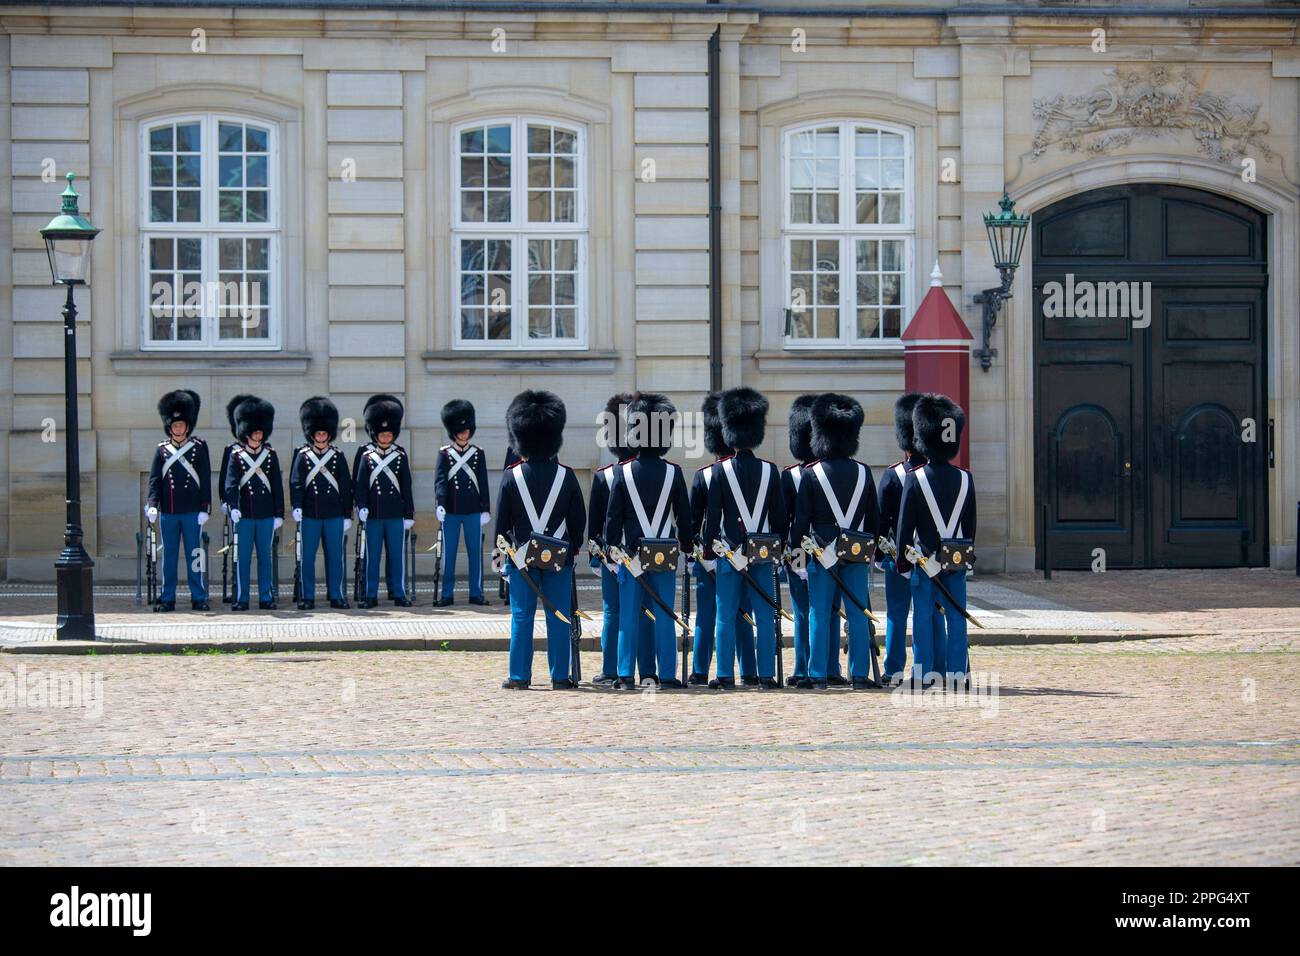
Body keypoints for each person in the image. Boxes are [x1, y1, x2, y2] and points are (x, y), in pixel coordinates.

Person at [496, 390, 586, 689]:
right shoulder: (567, 476)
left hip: (521, 558)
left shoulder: (511, 477)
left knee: (522, 618)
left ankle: (519, 676)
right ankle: (560, 676)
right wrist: (572, 550)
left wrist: (506, 557)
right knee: (558, 616)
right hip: (558, 557)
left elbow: (501, 527)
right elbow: (577, 522)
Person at [792, 393, 880, 690]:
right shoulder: (864, 472)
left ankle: (817, 674)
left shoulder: (811, 473)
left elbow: (801, 522)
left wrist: (796, 557)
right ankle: (859, 674)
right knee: (856, 613)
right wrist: (870, 550)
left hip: (821, 554)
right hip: (856, 553)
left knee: (819, 612)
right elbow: (875, 519)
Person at [605, 392, 692, 690]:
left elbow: (613, 519)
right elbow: (684, 517)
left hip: (631, 554)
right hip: (664, 553)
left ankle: (626, 674)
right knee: (665, 614)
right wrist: (689, 546)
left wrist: (610, 551)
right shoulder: (674, 472)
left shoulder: (622, 472)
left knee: (628, 617)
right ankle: (667, 674)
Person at [704, 387, 787, 690]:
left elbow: (713, 516)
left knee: (725, 615)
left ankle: (725, 674)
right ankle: (766, 675)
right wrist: (780, 546)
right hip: (763, 552)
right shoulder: (770, 470)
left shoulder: (720, 471)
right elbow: (779, 517)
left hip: (729, 552)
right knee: (765, 615)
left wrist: (709, 548)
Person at [896, 393, 976, 687]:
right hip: (955, 558)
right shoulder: (965, 478)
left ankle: (924, 671)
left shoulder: (915, 478)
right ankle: (957, 674)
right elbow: (970, 527)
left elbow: (906, 525)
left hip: (924, 559)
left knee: (923, 616)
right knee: (956, 618)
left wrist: (902, 560)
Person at [688, 392, 757, 685]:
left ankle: (701, 670)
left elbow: (693, 522)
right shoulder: (746, 471)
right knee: (740, 613)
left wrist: (704, 553)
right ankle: (750, 671)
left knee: (711, 615)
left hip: (713, 555)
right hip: (740, 553)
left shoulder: (707, 474)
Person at [876, 392, 945, 685]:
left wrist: (880, 556)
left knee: (897, 614)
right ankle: (934, 667)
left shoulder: (893, 476)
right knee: (931, 614)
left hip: (899, 556)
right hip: (932, 556)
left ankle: (893, 669)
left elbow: (881, 521)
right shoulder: (938, 474)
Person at [781, 394, 847, 685]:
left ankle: (810, 668)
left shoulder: (794, 475)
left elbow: (785, 522)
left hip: (805, 549)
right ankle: (823, 666)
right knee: (825, 610)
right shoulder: (822, 473)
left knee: (811, 611)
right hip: (824, 550)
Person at [145, 389, 212, 612]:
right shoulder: (162, 451)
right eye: (174, 425)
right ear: (169, 427)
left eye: (182, 425)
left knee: (195, 556)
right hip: (170, 512)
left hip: (192, 511)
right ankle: (168, 597)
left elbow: (204, 479)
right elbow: (155, 480)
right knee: (169, 558)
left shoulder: (199, 448)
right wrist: (152, 504)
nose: (178, 428)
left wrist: (205, 507)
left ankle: (198, 596)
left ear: (187, 426)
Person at [587, 392, 637, 685]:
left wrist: (597, 555)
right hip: (641, 553)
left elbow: (595, 525)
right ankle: (634, 666)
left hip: (611, 554)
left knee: (612, 611)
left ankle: (611, 668)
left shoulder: (605, 475)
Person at [289, 397, 353, 610]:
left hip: (333, 514)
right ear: (312, 434)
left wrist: (347, 515)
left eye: (324, 433)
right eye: (318, 433)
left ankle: (336, 594)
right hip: (310, 514)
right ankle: (308, 596)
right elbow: (296, 482)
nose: (321, 436)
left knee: (335, 558)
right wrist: (296, 505)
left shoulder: (337, 456)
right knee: (307, 558)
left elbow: (345, 486)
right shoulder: (303, 456)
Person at [353, 394, 414, 608]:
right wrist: (361, 507)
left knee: (396, 557)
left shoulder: (400, 456)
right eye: (383, 435)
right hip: (374, 515)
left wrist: (409, 514)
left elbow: (406, 487)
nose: (386, 438)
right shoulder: (366, 456)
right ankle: (370, 595)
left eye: (389, 435)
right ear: (376, 434)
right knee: (372, 558)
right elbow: (360, 485)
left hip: (395, 514)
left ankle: (398, 593)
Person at [223, 396, 284, 611]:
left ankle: (266, 597)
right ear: (247, 432)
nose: (258, 434)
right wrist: (234, 507)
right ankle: (242, 598)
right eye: (255, 431)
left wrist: (279, 513)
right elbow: (231, 484)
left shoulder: (270, 455)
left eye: (261, 431)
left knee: (265, 559)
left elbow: (277, 485)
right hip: (245, 514)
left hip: (266, 514)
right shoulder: (237, 456)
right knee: (243, 558)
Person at [435, 399, 491, 607]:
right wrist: (440, 503)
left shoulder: (478, 453)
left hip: (472, 511)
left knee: (475, 554)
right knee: (448, 555)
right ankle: (447, 594)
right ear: (453, 431)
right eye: (460, 430)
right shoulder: (444, 453)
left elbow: (483, 482)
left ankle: (476, 592)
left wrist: (485, 508)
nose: (464, 433)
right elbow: (440, 481)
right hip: (450, 510)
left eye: (467, 429)